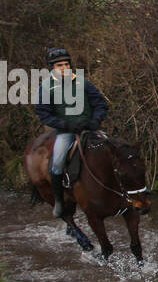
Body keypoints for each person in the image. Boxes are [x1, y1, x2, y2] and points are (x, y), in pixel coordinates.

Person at [33, 47, 109, 218]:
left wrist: (96, 120)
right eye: (60, 65)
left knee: (113, 151)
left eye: (66, 64)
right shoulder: (45, 87)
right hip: (66, 132)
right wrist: (65, 125)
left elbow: (100, 104)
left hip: (90, 128)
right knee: (58, 162)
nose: (64, 68)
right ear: (52, 67)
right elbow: (44, 115)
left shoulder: (83, 82)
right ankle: (59, 200)